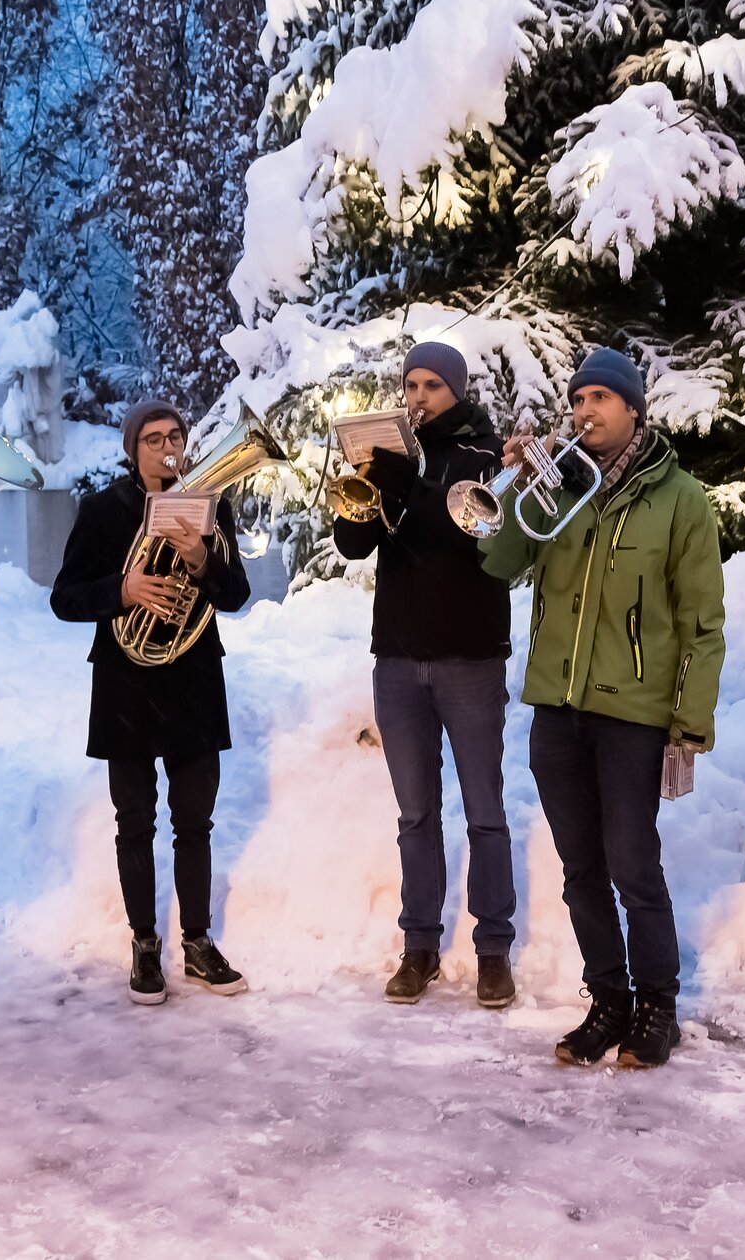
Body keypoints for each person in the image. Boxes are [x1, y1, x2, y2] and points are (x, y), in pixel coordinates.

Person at [478, 348, 724, 1069]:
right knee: (581, 868)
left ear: (633, 411)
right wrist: (526, 484)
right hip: (557, 709)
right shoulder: (561, 489)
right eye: (578, 398)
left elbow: (701, 625)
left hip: (632, 715)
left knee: (632, 864)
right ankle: (608, 997)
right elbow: (500, 562)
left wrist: (689, 724)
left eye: (600, 400)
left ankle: (658, 1004)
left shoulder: (682, 501)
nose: (584, 411)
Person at [332, 342, 517, 1007]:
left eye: (432, 385)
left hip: (470, 659)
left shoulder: (484, 455)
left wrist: (407, 482)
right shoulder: (391, 461)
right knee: (415, 815)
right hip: (398, 660)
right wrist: (367, 485)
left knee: (485, 812)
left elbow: (471, 541)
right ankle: (420, 946)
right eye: (410, 383)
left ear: (457, 392)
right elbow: (353, 544)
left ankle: (494, 948)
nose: (418, 395)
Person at [50, 400, 251, 1004]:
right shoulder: (102, 511)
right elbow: (64, 598)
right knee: (133, 822)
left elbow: (235, 594)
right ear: (131, 449)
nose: (167, 447)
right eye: (153, 438)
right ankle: (143, 944)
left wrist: (201, 559)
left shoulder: (210, 507)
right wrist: (124, 588)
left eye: (175, 436)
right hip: (125, 684)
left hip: (192, 681)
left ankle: (196, 943)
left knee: (195, 822)